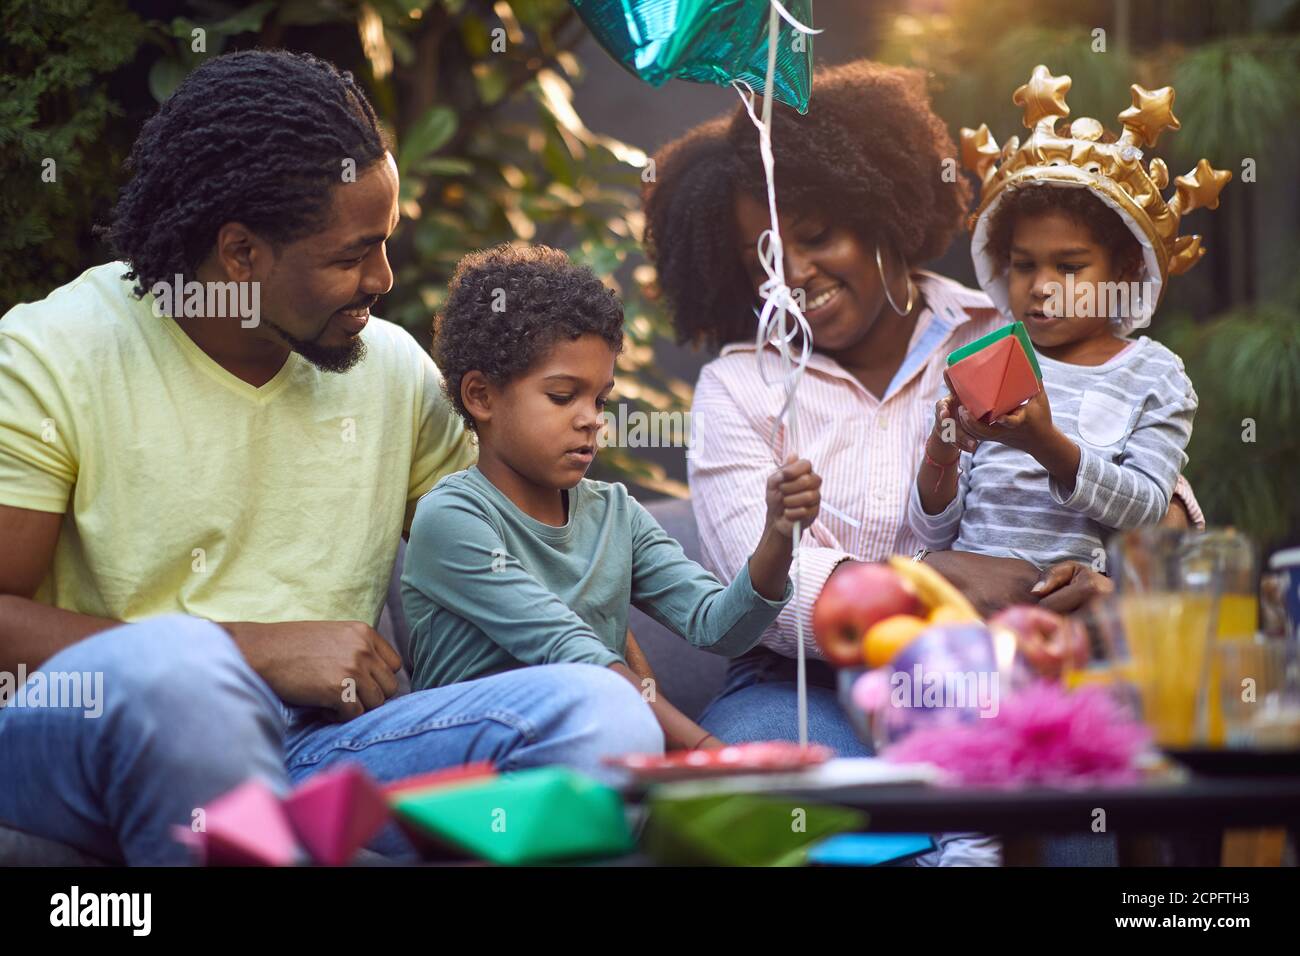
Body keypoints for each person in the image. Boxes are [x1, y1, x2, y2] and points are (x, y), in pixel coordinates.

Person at [0, 50, 660, 865]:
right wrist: (255, 652)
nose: (382, 278)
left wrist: (659, 709)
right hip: (106, 733)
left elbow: (529, 566)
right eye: (353, 255)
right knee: (182, 677)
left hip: (326, 755)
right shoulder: (57, 353)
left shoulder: (391, 372)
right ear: (241, 254)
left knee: (599, 718)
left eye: (386, 245)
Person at [401, 244, 816, 751]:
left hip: (593, 755)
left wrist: (778, 536)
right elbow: (572, 652)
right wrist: (714, 757)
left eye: (600, 399)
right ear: (480, 397)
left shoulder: (614, 512)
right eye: (561, 396)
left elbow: (718, 626)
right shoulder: (453, 518)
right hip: (479, 782)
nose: (590, 419)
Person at [909, 65, 1228, 574]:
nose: (1041, 286)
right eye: (1023, 265)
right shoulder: (992, 357)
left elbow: (1149, 511)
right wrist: (942, 452)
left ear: (1124, 268)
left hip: (1077, 626)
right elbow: (932, 532)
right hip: (969, 621)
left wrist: (1047, 445)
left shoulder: (1155, 375)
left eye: (1070, 266)